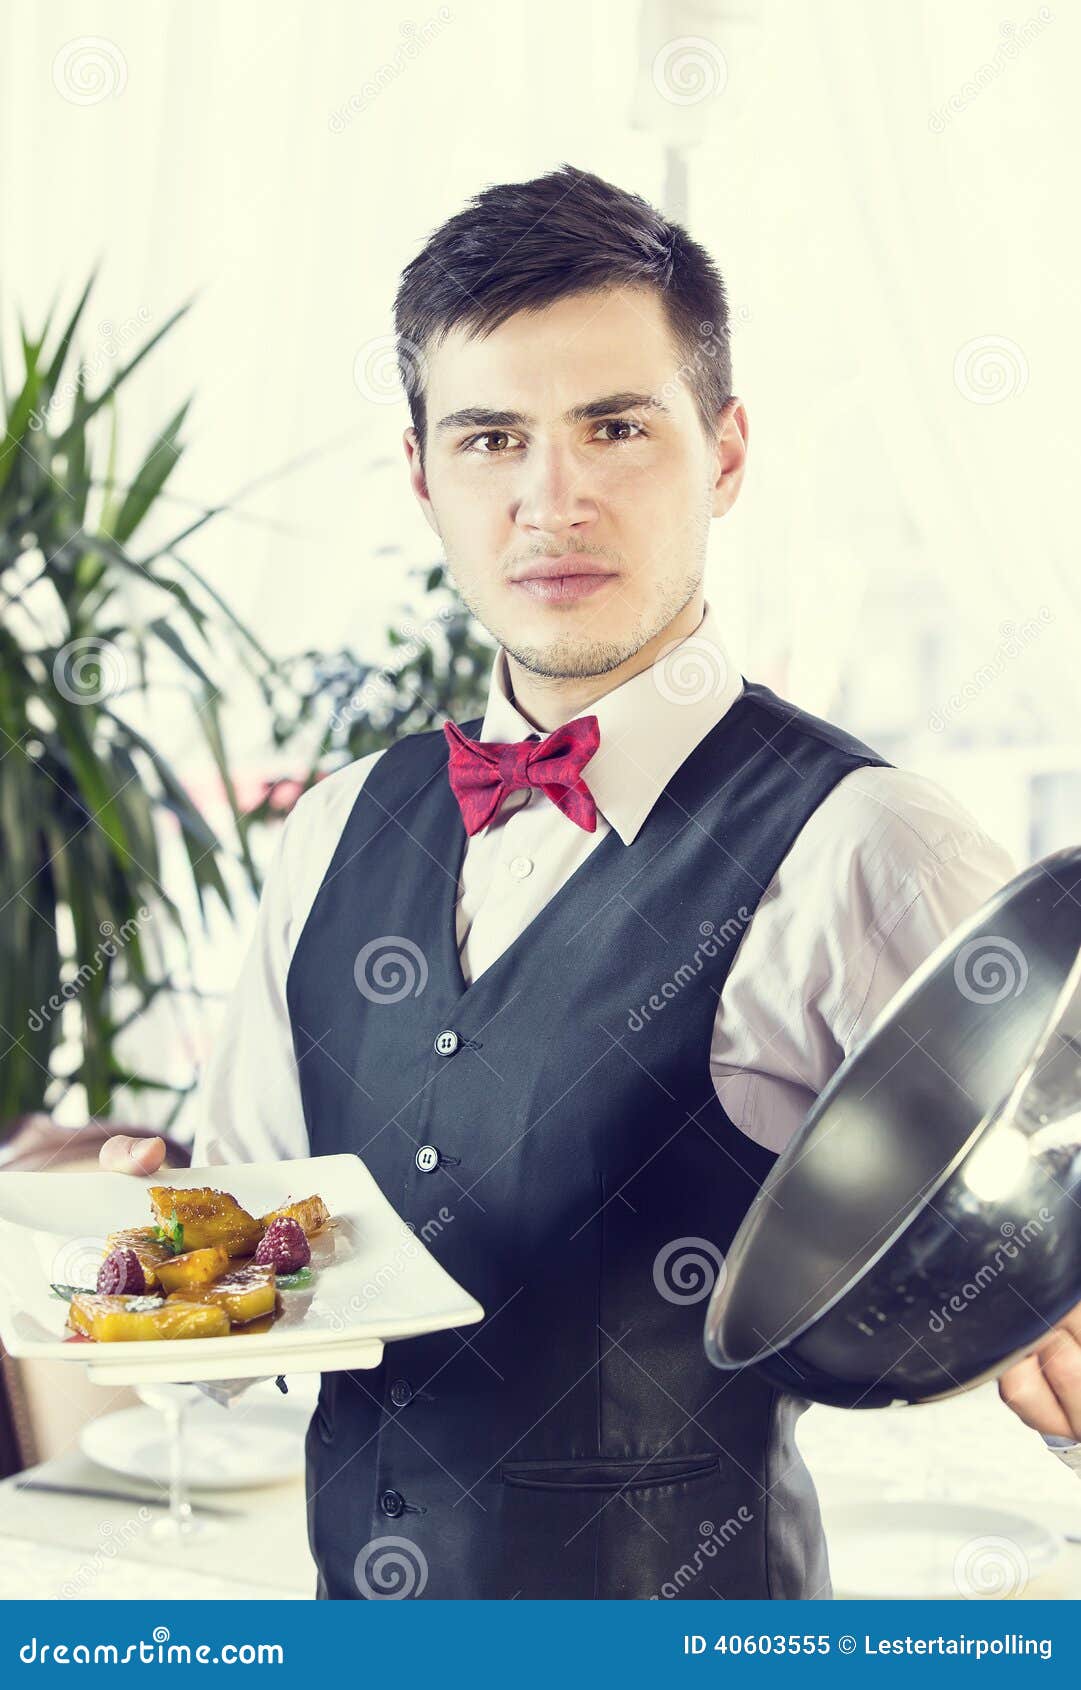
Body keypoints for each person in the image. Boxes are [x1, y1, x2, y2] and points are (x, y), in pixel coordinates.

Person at [101, 165, 1081, 1600]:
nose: (548, 498)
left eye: (614, 427)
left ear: (725, 453)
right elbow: (266, 1268)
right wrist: (173, 1247)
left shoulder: (864, 838)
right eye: (490, 437)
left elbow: (1034, 1209)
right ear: (424, 474)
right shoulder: (329, 831)